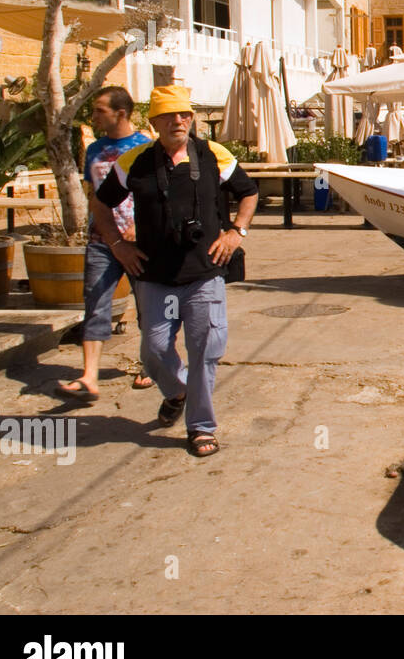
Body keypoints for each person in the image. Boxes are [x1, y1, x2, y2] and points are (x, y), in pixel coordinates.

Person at [93, 86, 258, 457]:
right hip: (156, 277)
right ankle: (178, 391)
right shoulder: (134, 162)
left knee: (206, 350)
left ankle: (200, 427)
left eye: (184, 114)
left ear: (191, 118)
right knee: (153, 352)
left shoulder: (213, 154)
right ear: (154, 122)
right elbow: (101, 204)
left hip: (204, 274)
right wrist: (119, 246)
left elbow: (249, 192)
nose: (178, 121)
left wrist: (237, 232)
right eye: (169, 115)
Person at [55, 86, 152, 402]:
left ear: (119, 113)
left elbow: (155, 195)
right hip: (102, 239)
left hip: (141, 240)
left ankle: (150, 364)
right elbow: (94, 194)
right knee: (95, 302)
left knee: (148, 305)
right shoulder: (95, 149)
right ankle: (89, 375)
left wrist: (140, 225)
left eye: (99, 110)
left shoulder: (146, 148)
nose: (93, 116)